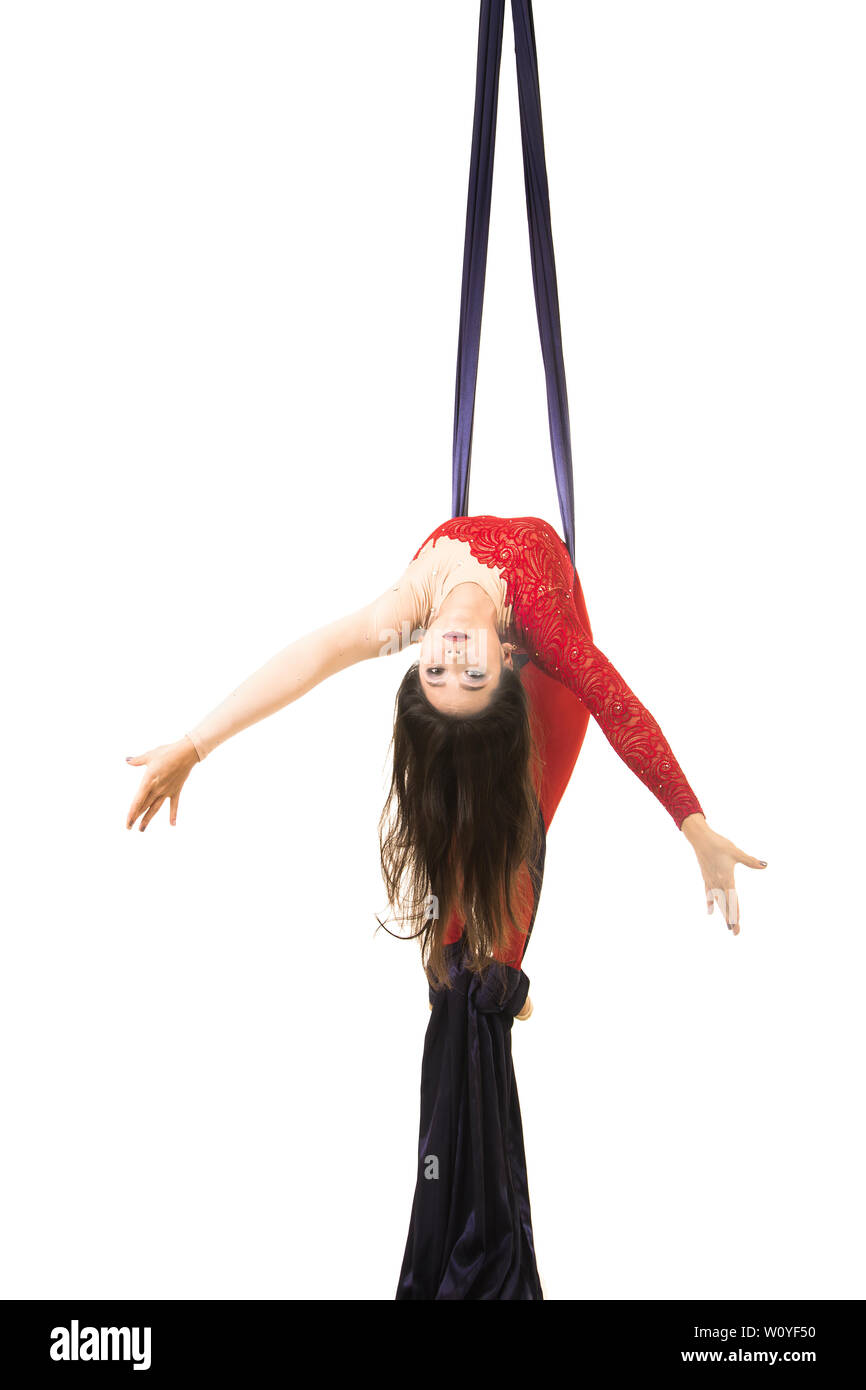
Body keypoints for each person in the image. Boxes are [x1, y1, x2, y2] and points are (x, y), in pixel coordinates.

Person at [125, 512, 766, 1299]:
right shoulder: (484, 626)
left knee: (498, 895)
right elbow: (306, 663)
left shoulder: (465, 620)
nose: (455, 659)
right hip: (534, 623)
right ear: (501, 666)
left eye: (442, 673)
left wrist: (691, 823)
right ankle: (472, 1025)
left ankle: (499, 990)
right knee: (452, 923)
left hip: (552, 657)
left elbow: (615, 708)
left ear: (424, 659)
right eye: (469, 676)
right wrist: (191, 747)